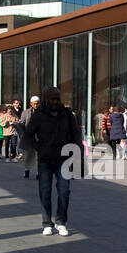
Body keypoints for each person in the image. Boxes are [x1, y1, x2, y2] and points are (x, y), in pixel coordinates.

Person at [24, 87, 80, 237]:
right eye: (52, 99)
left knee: (64, 192)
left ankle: (61, 222)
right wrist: (39, 148)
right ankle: (47, 222)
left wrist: (77, 155)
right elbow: (28, 135)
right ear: (46, 99)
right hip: (45, 160)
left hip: (64, 160)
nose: (55, 102)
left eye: (57, 99)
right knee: (45, 191)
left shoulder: (67, 114)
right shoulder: (39, 115)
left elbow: (76, 135)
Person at [20, 95, 40, 178]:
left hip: (39, 136)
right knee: (28, 154)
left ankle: (38, 172)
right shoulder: (26, 112)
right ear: (31, 104)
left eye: (37, 104)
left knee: (38, 155)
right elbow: (21, 123)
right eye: (34, 104)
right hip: (28, 136)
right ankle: (26, 170)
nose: (36, 105)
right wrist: (22, 133)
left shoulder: (42, 112)